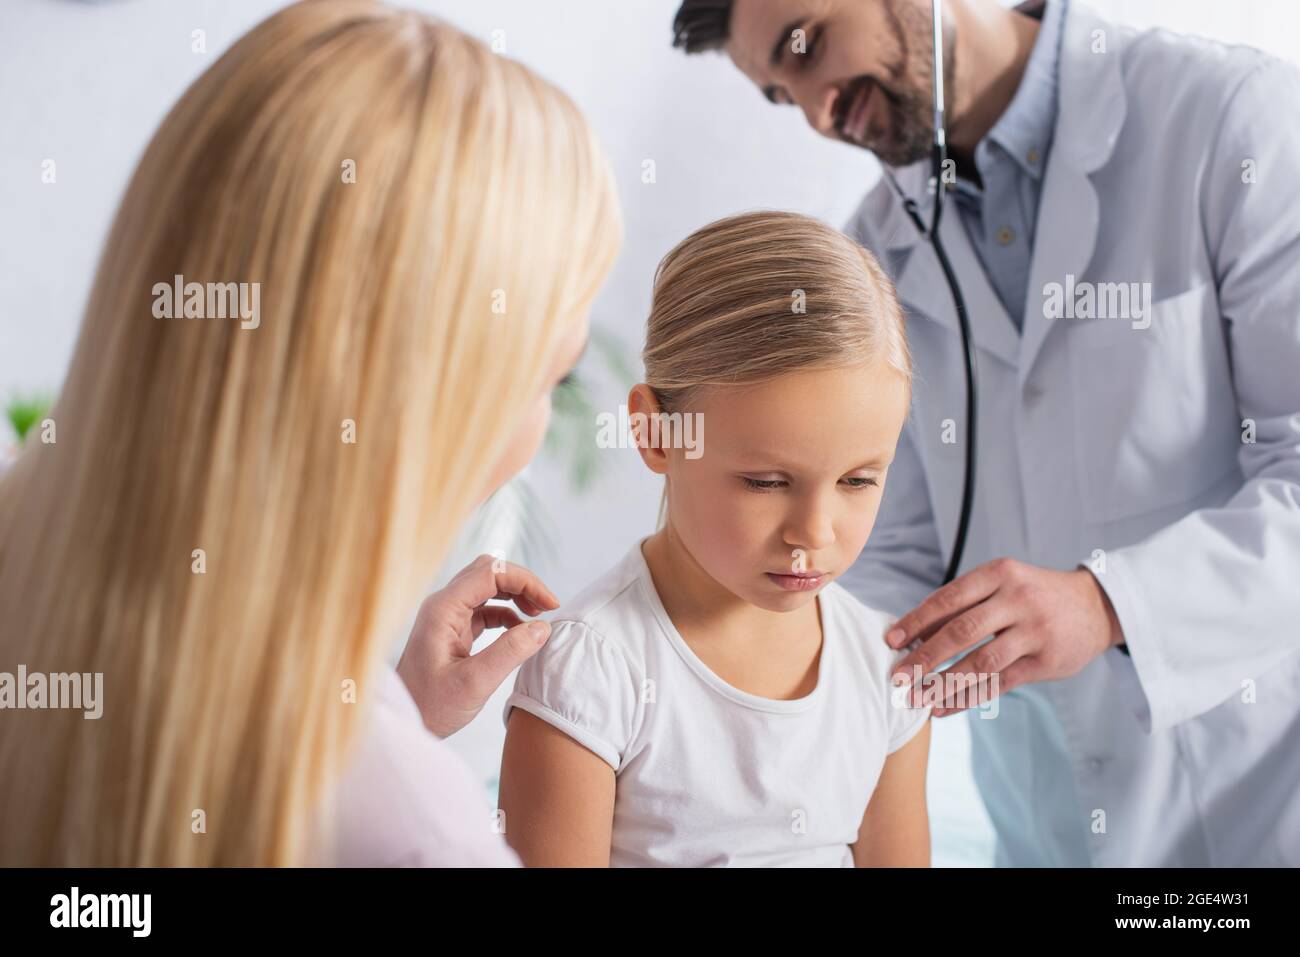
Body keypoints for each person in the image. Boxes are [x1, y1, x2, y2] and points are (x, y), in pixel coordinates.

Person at [670, 0, 1300, 865]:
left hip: (1256, 802)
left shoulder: (1231, 118)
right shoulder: (876, 254)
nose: (817, 111)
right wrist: (750, 679)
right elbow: (895, 551)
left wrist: (1109, 604)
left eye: (803, 46)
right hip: (1046, 817)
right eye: (783, 94)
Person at [0, 0, 621, 866]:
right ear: (427, 405)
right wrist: (380, 755)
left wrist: (386, 712)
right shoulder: (416, 830)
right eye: (550, 377)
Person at [498, 211, 931, 867]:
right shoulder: (591, 673)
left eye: (858, 479)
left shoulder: (887, 672)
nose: (812, 533)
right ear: (655, 433)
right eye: (765, 481)